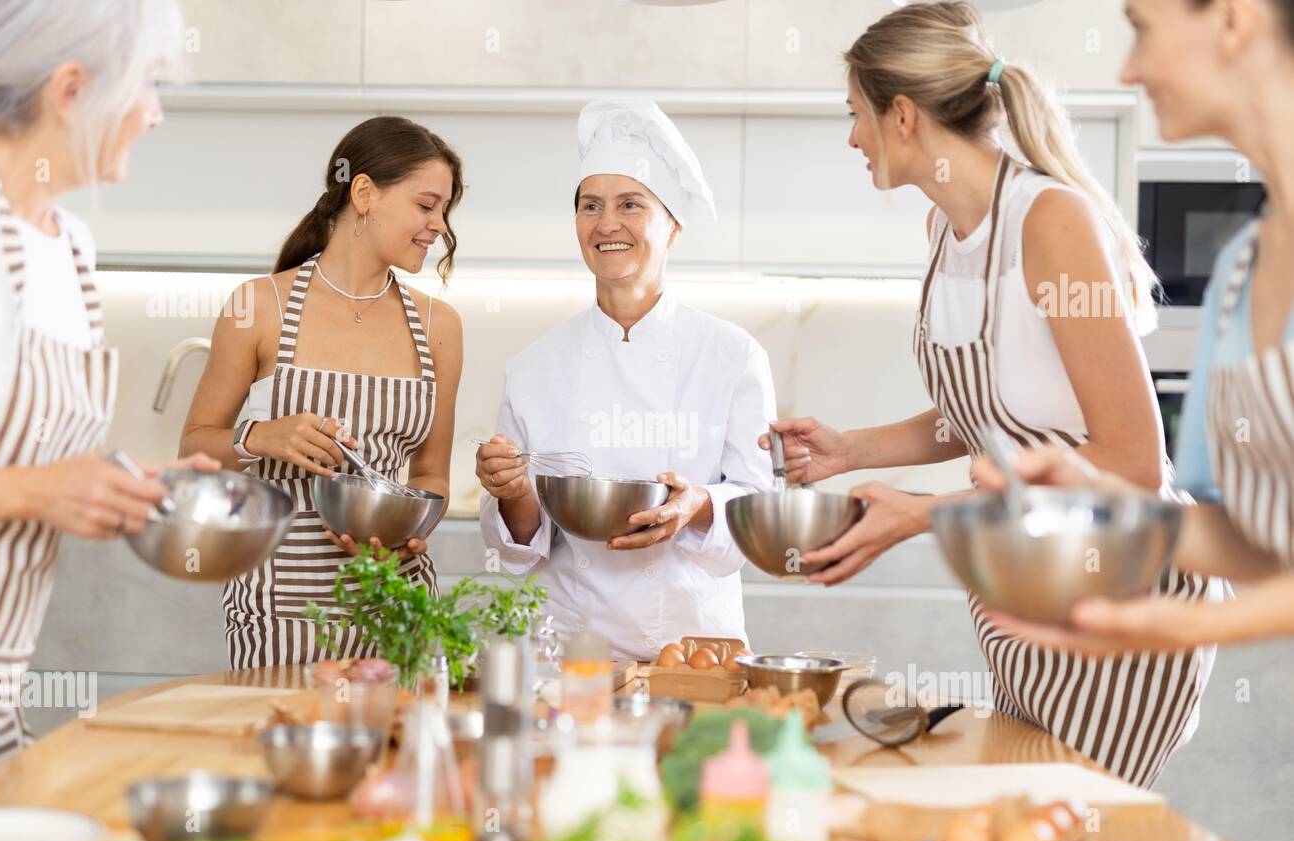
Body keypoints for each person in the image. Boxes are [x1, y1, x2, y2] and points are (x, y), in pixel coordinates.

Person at [760, 1, 1221, 787]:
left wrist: (924, 515)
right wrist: (852, 450)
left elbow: (1135, 466)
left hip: (1121, 593)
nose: (851, 138)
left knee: (1063, 823)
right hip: (1025, 592)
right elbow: (986, 416)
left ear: (902, 116)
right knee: (1019, 816)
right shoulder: (949, 231)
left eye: (856, 115)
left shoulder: (1049, 222)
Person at [974, 0, 1294, 656]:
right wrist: (1105, 507)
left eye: (1142, 29)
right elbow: (1262, 544)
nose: (1127, 70)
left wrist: (1201, 626)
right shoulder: (1242, 267)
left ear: (1233, 19)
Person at [0, 0, 218, 762]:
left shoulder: (72, 250)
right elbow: (27, 481)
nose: (154, 115)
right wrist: (32, 492)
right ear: (70, 89)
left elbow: (43, 460)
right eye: (146, 85)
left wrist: (133, 486)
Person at [476, 99, 776, 661]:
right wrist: (513, 489)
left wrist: (701, 504)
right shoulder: (534, 366)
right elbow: (520, 544)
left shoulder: (733, 355)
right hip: (572, 652)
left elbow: (761, 509)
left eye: (630, 204)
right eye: (590, 206)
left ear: (673, 226)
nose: (606, 224)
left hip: (695, 648)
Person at [179, 116, 464, 668]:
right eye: (426, 205)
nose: (440, 227)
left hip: (397, 602)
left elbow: (431, 476)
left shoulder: (439, 326)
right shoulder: (260, 306)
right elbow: (193, 451)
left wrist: (403, 539)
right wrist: (259, 437)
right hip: (280, 606)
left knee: (401, 752)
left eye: (446, 211)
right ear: (364, 193)